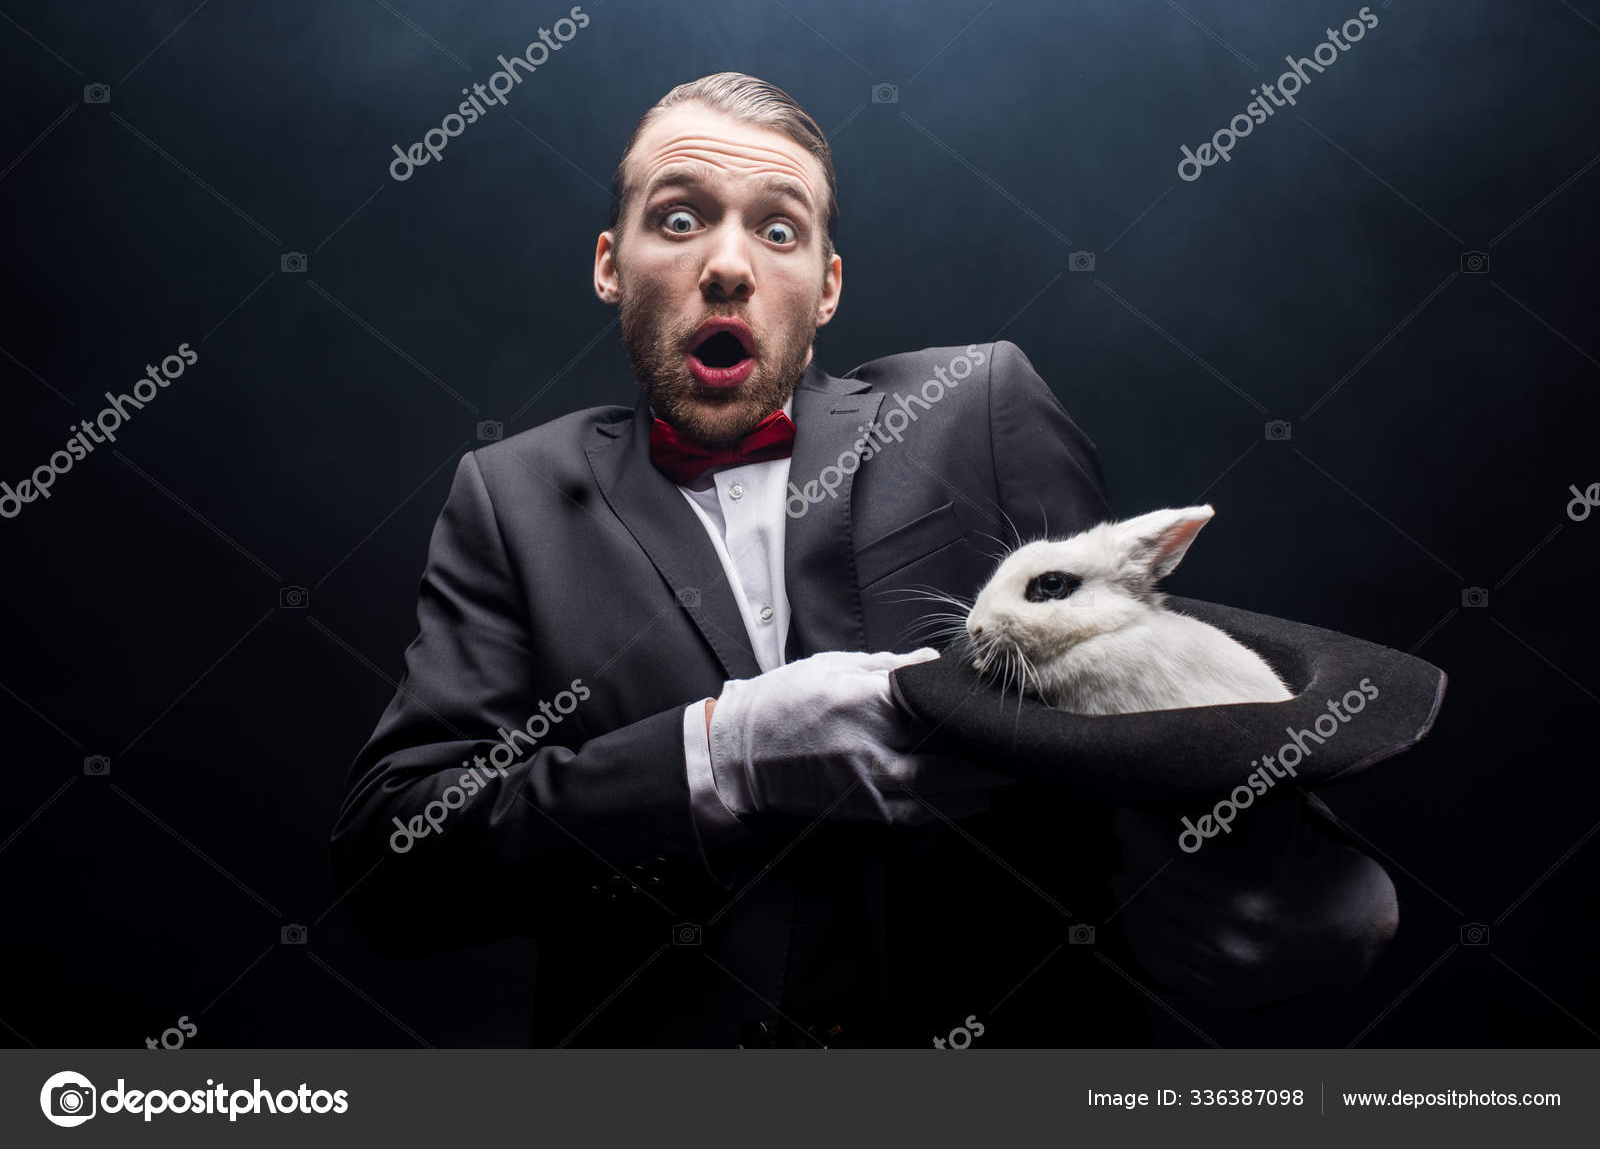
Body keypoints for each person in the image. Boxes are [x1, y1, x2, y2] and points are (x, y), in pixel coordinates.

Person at [331, 72, 1397, 1048]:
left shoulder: (976, 404)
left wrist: (1280, 852)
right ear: (611, 265)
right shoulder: (508, 495)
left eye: (780, 230)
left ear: (827, 287)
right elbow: (395, 866)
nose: (729, 264)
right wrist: (721, 752)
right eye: (678, 217)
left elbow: (1135, 677)